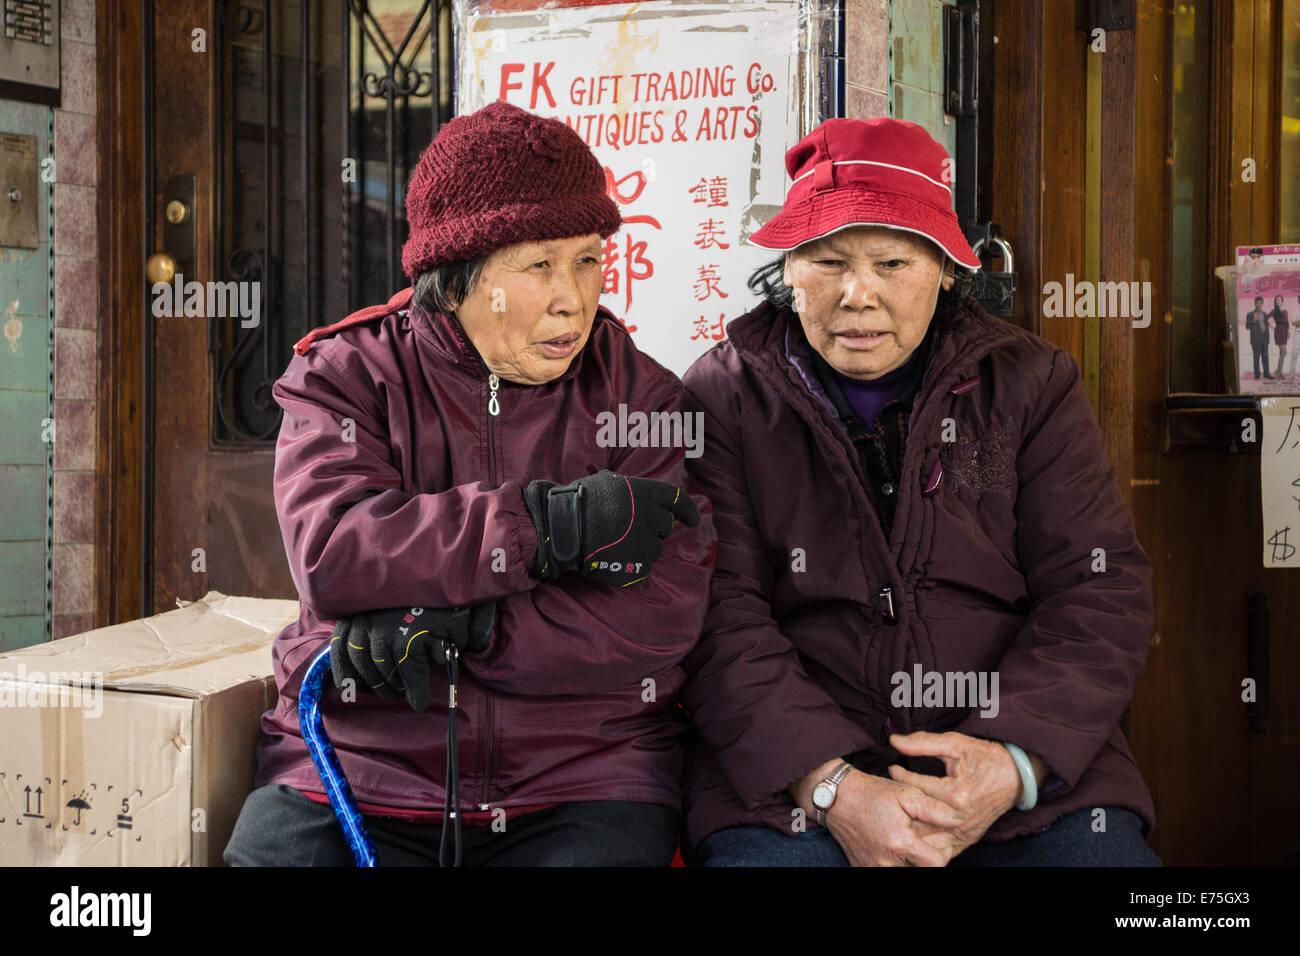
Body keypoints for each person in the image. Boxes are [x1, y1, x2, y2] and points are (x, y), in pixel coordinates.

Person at [224, 100, 715, 867]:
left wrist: (463, 631)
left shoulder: (641, 401)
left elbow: (658, 613)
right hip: (360, 759)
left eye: (588, 259)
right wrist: (543, 525)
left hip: (582, 773)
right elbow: (336, 551)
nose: (573, 297)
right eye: (538, 265)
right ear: (452, 280)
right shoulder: (345, 376)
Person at [678, 116, 1160, 866]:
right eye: (829, 261)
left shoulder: (1031, 385)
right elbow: (718, 614)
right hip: (794, 779)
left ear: (944, 268)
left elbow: (1096, 591)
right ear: (788, 271)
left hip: (1020, 771)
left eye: (892, 262)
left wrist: (1011, 760)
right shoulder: (722, 396)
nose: (858, 294)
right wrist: (832, 786)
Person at [1246, 296, 1272, 380]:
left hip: (1264, 339)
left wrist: (1268, 339)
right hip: (1255, 340)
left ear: (1262, 304)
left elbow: (1267, 327)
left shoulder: (1265, 314)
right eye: (1257, 302)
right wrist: (1253, 320)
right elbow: (1247, 326)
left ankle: (1266, 373)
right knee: (1256, 357)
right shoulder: (1250, 314)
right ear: (1254, 303)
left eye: (1260, 303)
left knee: (1265, 357)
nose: (1258, 304)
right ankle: (1257, 374)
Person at [1270, 295, 1292, 379]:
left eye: (1280, 300)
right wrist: (1272, 325)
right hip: (1278, 332)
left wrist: (1289, 331)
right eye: (1277, 300)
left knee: (1281, 352)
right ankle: (1279, 373)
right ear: (1275, 302)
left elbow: (1287, 323)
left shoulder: (1285, 311)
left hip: (1284, 333)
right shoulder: (1274, 311)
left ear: (1282, 301)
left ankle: (1278, 371)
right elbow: (1266, 320)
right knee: (1284, 352)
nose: (1278, 301)